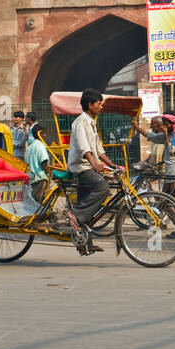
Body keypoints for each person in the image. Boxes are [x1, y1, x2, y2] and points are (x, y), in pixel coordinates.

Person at [66, 89, 119, 252]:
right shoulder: (81, 122)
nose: (101, 107)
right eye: (98, 104)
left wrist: (112, 164)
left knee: (88, 205)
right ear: (89, 105)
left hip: (89, 165)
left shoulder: (91, 122)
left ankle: (84, 244)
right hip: (82, 167)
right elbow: (84, 147)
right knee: (102, 188)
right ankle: (74, 215)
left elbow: (98, 149)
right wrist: (94, 164)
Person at [132, 113, 175, 185]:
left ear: (171, 124)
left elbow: (171, 149)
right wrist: (137, 128)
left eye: (166, 124)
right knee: (165, 195)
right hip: (169, 172)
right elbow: (152, 136)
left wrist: (165, 133)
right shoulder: (168, 134)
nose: (164, 126)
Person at [24, 121, 52, 207]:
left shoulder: (31, 146)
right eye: (44, 134)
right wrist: (51, 173)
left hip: (32, 177)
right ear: (40, 134)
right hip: (40, 177)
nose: (46, 136)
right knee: (38, 202)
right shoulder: (40, 145)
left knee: (36, 200)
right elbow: (43, 163)